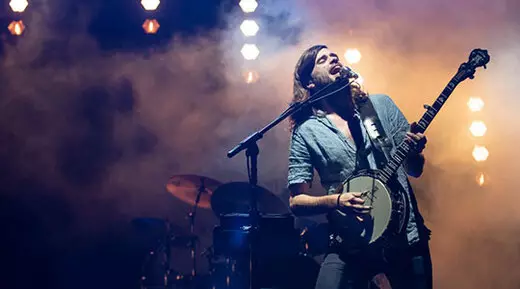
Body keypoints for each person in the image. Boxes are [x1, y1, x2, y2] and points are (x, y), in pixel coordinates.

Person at [287, 44, 433, 289]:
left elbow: (414, 169)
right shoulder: (307, 132)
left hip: (404, 236)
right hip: (350, 240)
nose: (333, 57)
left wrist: (416, 152)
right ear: (310, 83)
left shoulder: (380, 106)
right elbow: (296, 202)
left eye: (334, 55)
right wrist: (336, 201)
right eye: (322, 59)